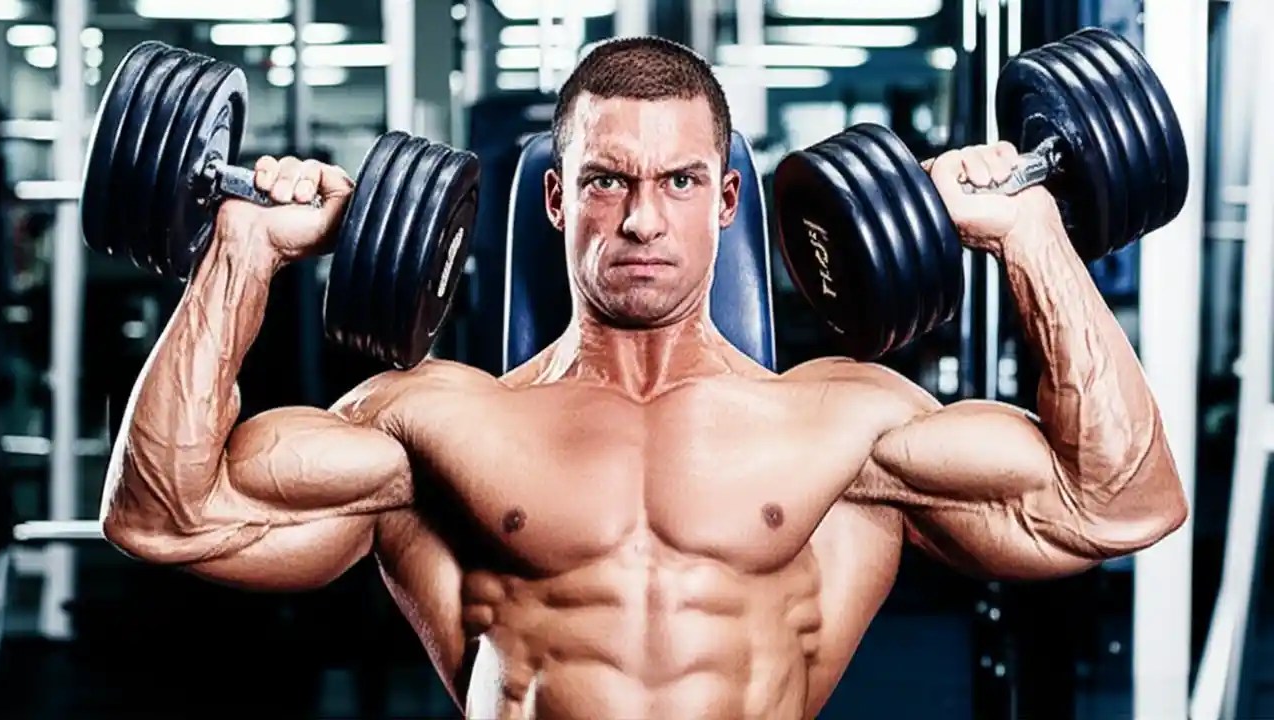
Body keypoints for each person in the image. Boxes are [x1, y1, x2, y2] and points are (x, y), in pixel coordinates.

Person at [98, 36, 1188, 719]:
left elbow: (1119, 502)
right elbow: (167, 515)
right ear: (555, 199)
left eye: (679, 181)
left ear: (727, 201)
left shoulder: (844, 423)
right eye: (605, 180)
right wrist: (242, 250)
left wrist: (1030, 235)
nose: (641, 219)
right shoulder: (433, 422)